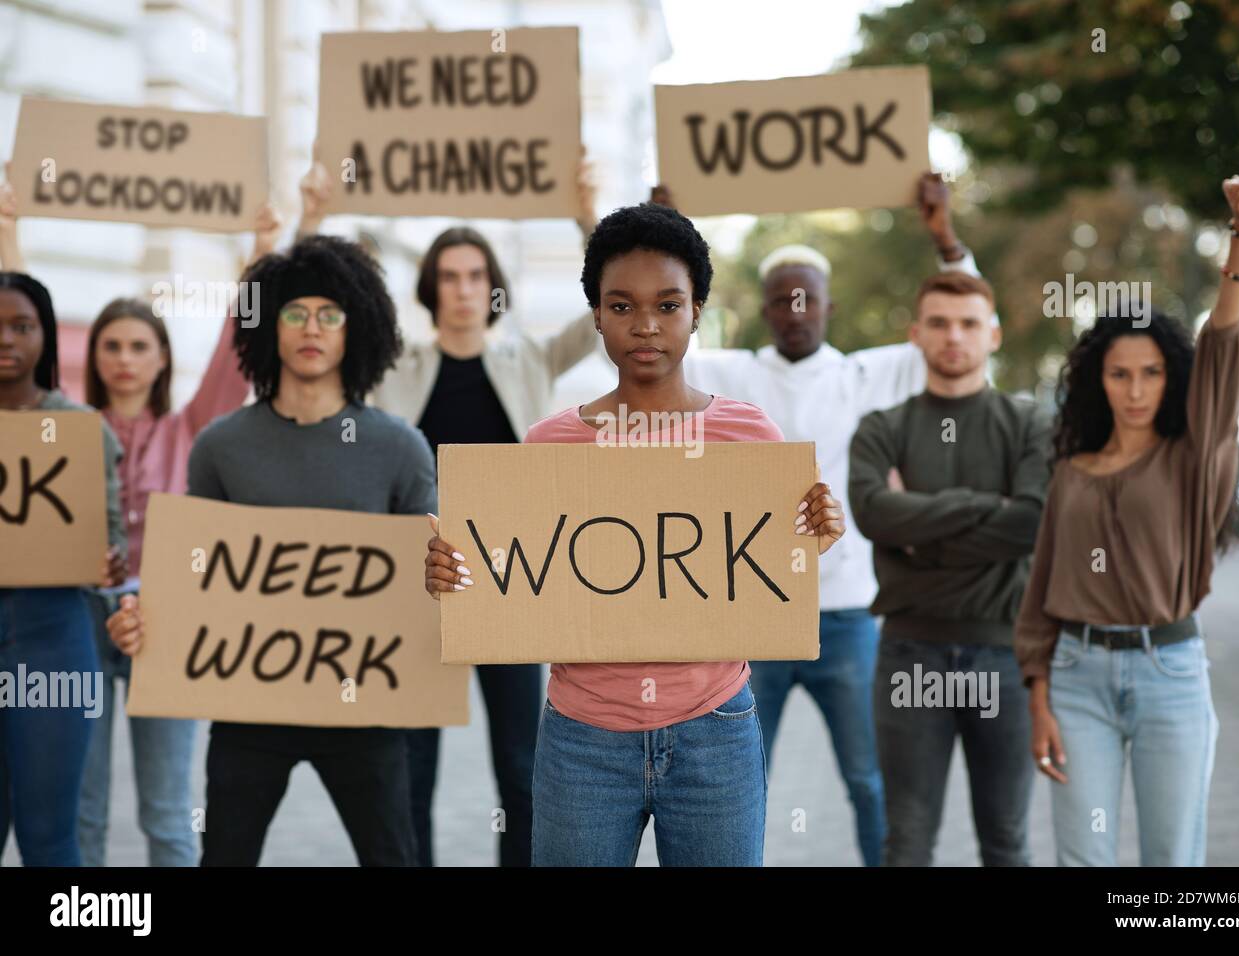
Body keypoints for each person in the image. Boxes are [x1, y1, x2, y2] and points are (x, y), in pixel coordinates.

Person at [425, 201, 848, 866]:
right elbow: (504, 573)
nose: (645, 325)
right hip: (581, 741)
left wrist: (817, 532)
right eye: (621, 306)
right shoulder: (548, 443)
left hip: (717, 732)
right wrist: (454, 575)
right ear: (594, 312)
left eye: (668, 305)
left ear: (698, 310)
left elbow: (772, 568)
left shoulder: (750, 436)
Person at [651, 172, 988, 865]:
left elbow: (968, 313)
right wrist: (664, 236)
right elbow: (649, 342)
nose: (796, 310)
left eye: (808, 298)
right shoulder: (732, 374)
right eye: (782, 300)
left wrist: (945, 237)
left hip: (848, 618)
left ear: (829, 304)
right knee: (737, 783)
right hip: (758, 619)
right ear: (766, 309)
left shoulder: (870, 375)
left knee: (869, 781)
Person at [296, 154, 600, 867]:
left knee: (523, 764)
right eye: (450, 276)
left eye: (475, 275)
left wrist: (589, 214)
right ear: (431, 287)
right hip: (419, 584)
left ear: (492, 286)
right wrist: (311, 221)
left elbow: (609, 310)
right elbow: (314, 321)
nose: (463, 289)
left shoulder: (528, 359)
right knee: (410, 769)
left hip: (506, 582)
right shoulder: (394, 366)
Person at [104, 234, 436, 866]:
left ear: (356, 328)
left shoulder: (400, 449)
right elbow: (193, 572)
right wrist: (143, 615)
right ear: (270, 326)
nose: (311, 328)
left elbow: (430, 588)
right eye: (294, 312)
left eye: (329, 314)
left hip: (367, 705)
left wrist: (452, 575)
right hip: (249, 705)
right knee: (224, 858)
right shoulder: (221, 447)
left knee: (393, 858)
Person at [1, 180, 281, 866]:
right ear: (92, 358)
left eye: (139, 346)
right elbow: (17, 320)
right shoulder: (62, 426)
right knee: (81, 810)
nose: (124, 358)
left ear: (160, 359)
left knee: (166, 812)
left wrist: (260, 256)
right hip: (71, 622)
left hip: (165, 622)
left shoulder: (193, 428)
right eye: (111, 346)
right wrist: (9, 227)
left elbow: (232, 353)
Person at [1015, 175, 1239, 867]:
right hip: (1075, 676)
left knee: (1170, 864)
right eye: (1120, 374)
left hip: (1170, 672)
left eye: (1151, 373)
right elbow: (1040, 592)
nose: (1134, 390)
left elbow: (1222, 341)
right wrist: (1038, 697)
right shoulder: (1070, 472)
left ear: (1171, 378)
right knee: (1083, 859)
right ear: (1099, 379)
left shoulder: (1194, 457)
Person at [848, 271, 1052, 866]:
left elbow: (1034, 524)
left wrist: (918, 534)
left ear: (993, 334)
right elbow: (873, 515)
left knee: (1007, 841)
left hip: (1005, 655)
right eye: (938, 322)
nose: (953, 336)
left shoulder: (1029, 425)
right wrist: (991, 509)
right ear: (916, 334)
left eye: (968, 323)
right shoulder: (881, 429)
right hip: (912, 652)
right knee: (906, 842)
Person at [0, 267, 126, 865]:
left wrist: (106, 559)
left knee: (51, 835)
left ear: (44, 336)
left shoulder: (80, 430)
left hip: (53, 635)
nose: (6, 340)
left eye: (21, 326)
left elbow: (111, 531)